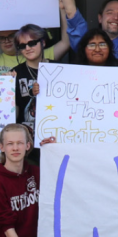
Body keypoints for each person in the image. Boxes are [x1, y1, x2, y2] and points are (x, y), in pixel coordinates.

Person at [10, 20, 72, 150]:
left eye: (32, 43)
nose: (27, 48)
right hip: (27, 143)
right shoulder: (15, 74)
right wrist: (5, 88)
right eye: (22, 46)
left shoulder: (59, 69)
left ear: (43, 42)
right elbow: (11, 112)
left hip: (57, 136)